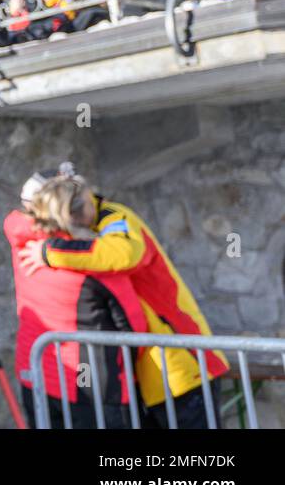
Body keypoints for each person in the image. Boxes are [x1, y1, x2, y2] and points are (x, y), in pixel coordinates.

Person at [17, 167, 226, 429]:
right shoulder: (88, 226)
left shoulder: (115, 217)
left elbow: (125, 253)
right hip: (151, 372)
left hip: (181, 362)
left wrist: (51, 252)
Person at [7, 168, 146, 428]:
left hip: (38, 377)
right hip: (97, 387)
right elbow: (133, 325)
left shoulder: (23, 245)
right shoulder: (93, 261)